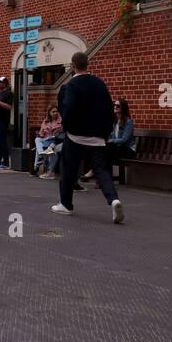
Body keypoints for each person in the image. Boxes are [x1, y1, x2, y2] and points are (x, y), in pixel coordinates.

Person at [55, 52, 124, 224]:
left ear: (72, 66)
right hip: (97, 137)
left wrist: (67, 126)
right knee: (101, 170)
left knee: (68, 169)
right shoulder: (100, 84)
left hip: (75, 136)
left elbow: (68, 108)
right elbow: (110, 110)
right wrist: (105, 132)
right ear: (88, 64)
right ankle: (113, 199)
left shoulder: (72, 85)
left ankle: (66, 204)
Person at [34, 108, 64, 179]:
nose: (55, 113)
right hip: (46, 141)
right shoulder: (46, 121)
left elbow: (62, 134)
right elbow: (41, 134)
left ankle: (50, 172)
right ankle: (41, 154)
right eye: (53, 112)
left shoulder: (61, 121)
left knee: (54, 150)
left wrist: (53, 135)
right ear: (49, 113)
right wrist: (43, 132)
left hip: (56, 142)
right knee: (37, 139)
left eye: (56, 111)